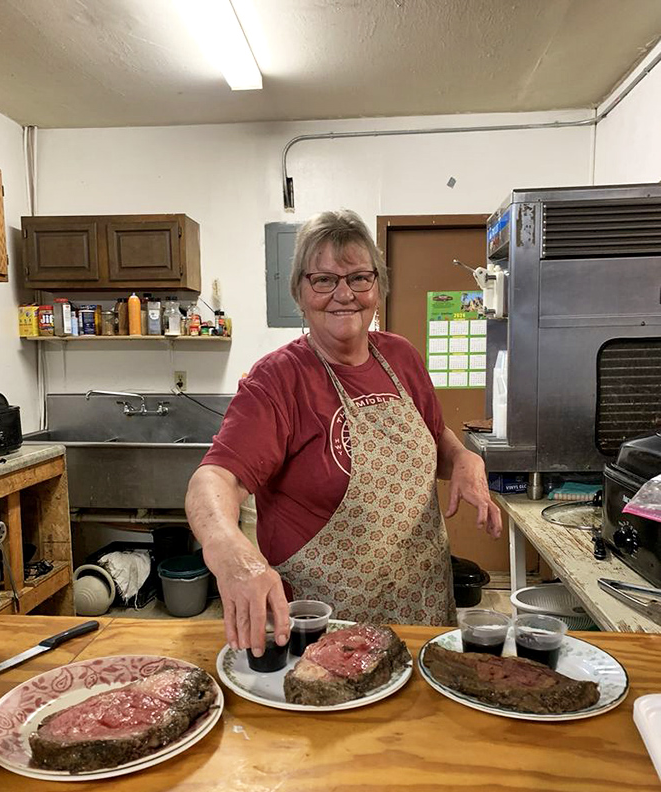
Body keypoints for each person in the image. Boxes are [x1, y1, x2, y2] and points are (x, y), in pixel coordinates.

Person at [185, 209, 502, 656]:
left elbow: (435, 439)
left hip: (421, 609)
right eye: (323, 280)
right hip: (327, 625)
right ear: (300, 290)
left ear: (377, 287)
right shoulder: (279, 379)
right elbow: (214, 479)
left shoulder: (401, 357)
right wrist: (228, 550)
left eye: (358, 278)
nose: (344, 295)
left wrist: (465, 459)